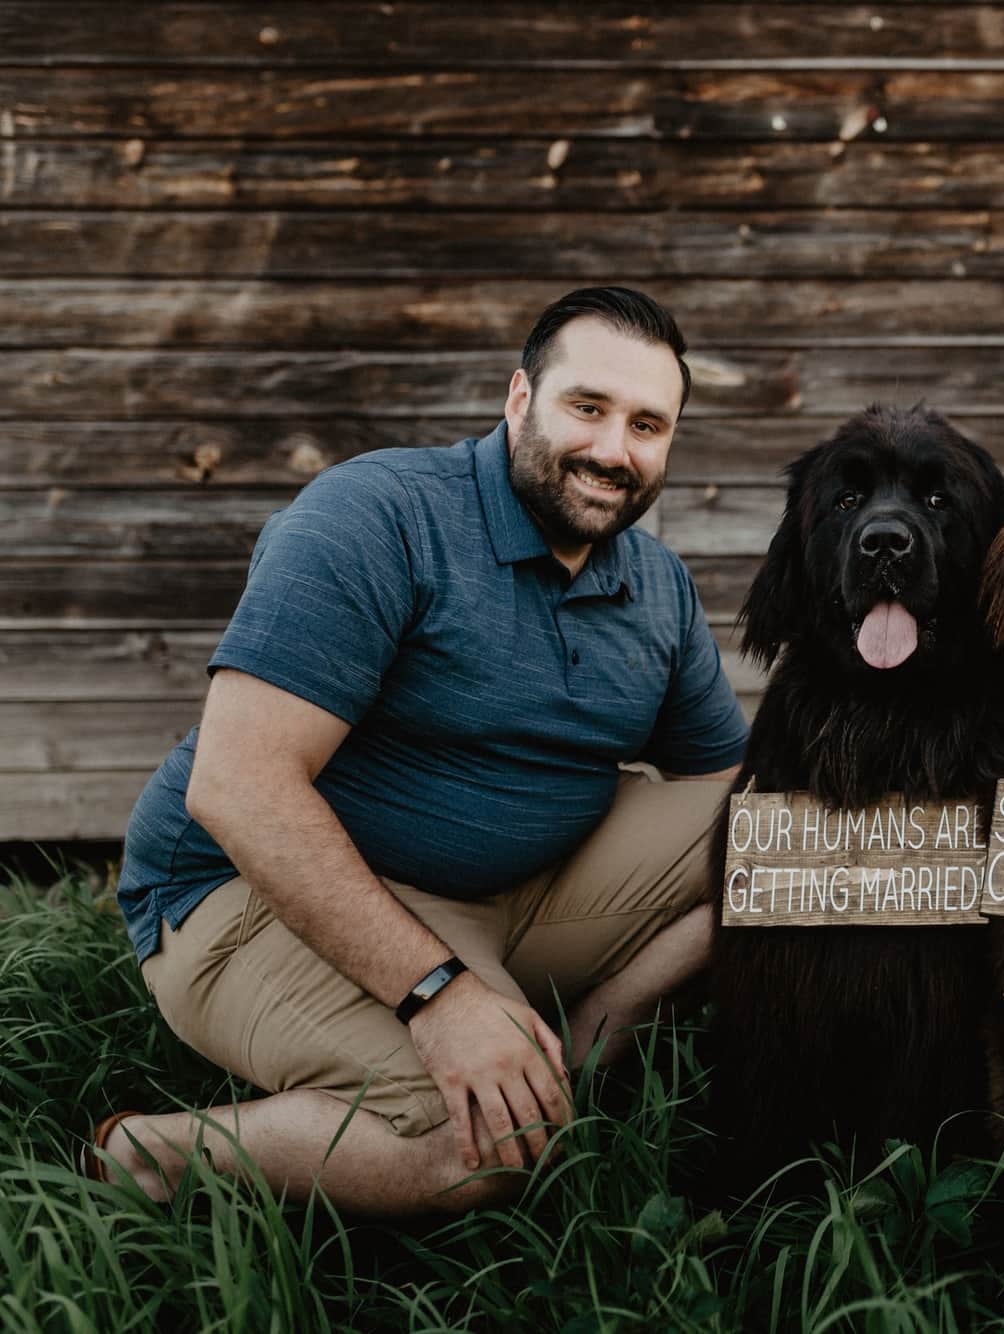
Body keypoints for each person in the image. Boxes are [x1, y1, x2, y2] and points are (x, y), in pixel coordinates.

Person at [94, 287, 749, 1216]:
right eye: (588, 407)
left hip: (515, 893)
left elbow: (729, 788)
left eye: (649, 424)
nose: (614, 451)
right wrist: (440, 998)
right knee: (491, 1147)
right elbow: (237, 789)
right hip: (248, 896)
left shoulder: (655, 586)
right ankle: (161, 1154)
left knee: (775, 829)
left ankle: (584, 1027)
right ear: (520, 399)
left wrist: (622, 1001)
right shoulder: (378, 517)